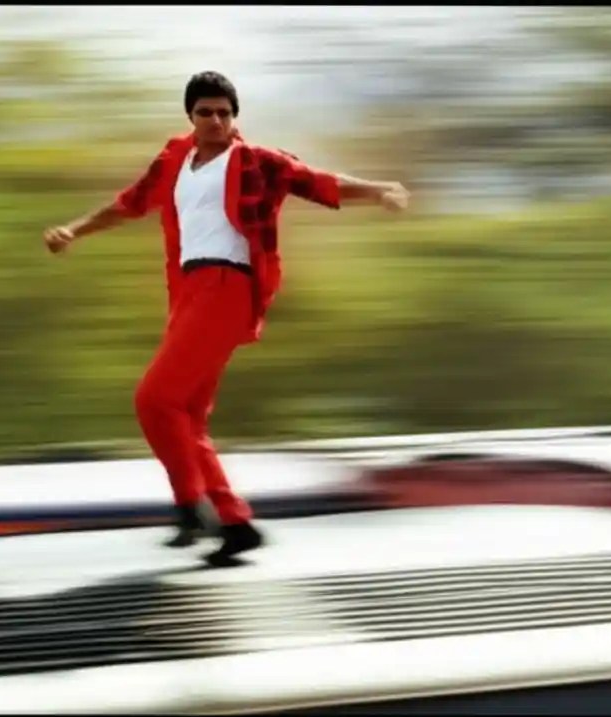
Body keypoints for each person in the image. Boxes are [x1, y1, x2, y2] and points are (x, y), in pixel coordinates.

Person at [44, 71, 408, 566]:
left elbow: (317, 182)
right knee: (186, 414)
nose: (217, 121)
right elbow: (129, 203)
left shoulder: (255, 162)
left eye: (225, 113)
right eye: (206, 112)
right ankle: (221, 519)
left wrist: (381, 188)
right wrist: (74, 229)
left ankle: (206, 510)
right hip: (189, 292)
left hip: (229, 286)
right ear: (190, 117)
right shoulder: (175, 159)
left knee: (154, 400)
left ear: (235, 117)